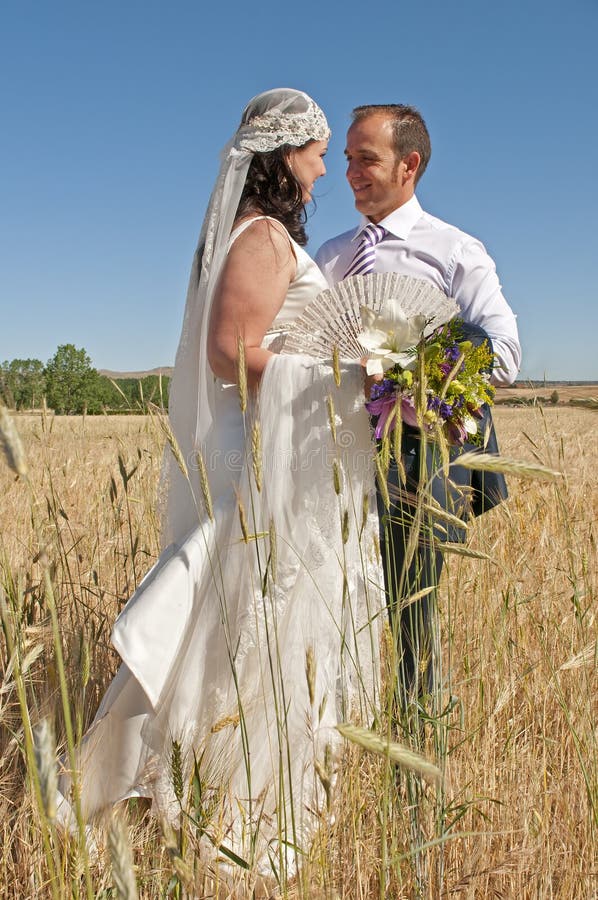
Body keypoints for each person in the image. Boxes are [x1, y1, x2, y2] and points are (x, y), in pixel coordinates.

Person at [57, 89, 384, 886]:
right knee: (224, 604)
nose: (324, 170)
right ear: (284, 155)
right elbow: (228, 350)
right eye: (316, 153)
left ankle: (207, 786)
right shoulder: (265, 237)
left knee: (236, 618)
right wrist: (348, 372)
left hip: (269, 445)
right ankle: (188, 793)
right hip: (257, 454)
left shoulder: (249, 233)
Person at [316, 104, 521, 702]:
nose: (350, 171)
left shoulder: (455, 251)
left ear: (409, 165)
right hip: (326, 458)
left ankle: (416, 743)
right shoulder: (329, 256)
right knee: (329, 599)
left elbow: (502, 356)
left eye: (366, 159)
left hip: (413, 458)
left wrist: (407, 367)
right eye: (347, 158)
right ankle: (333, 727)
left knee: (412, 614)